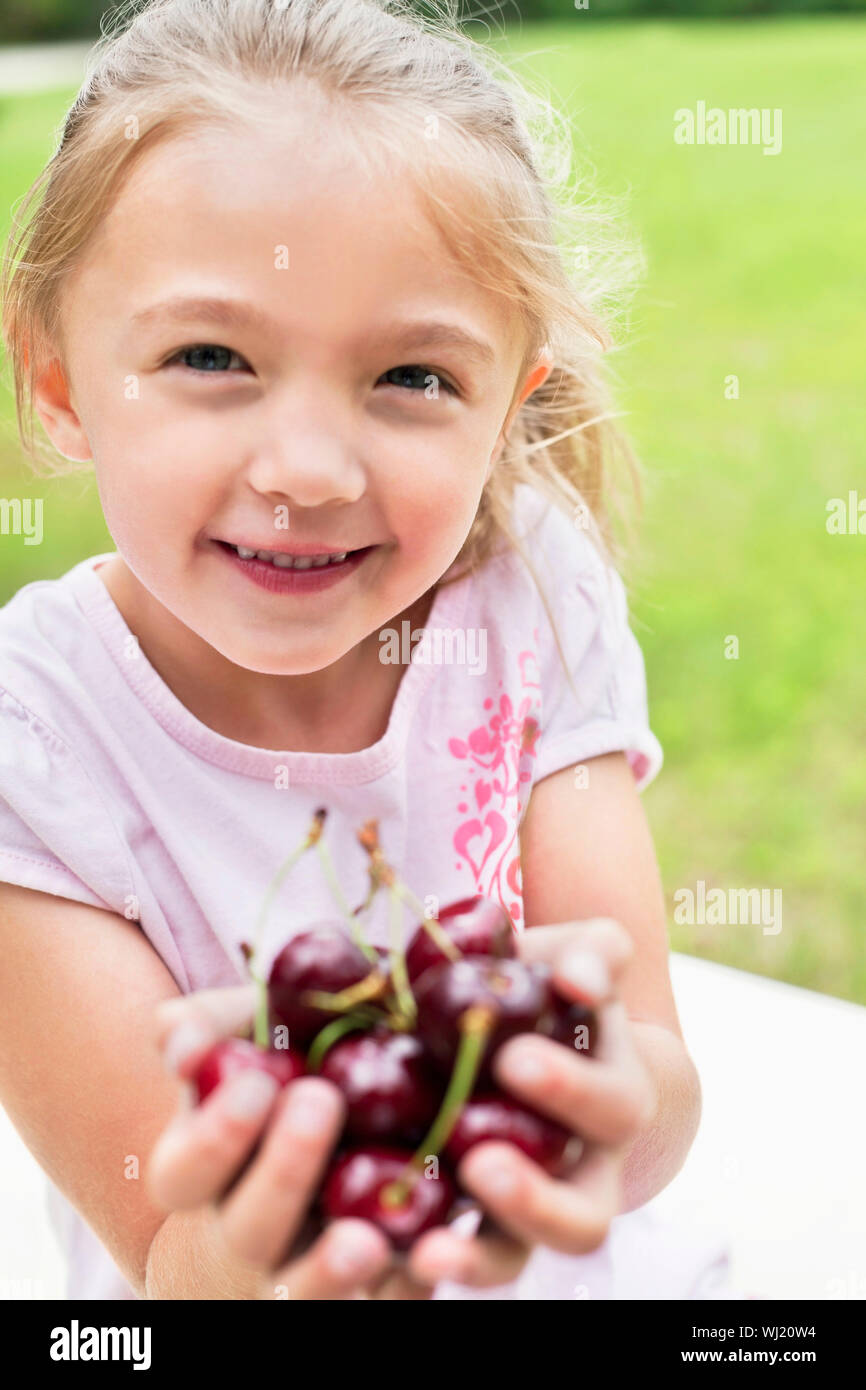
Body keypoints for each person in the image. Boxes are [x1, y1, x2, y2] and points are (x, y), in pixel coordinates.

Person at [0, 0, 731, 1300]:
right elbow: (172, 1253)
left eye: (410, 377)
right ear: (56, 377)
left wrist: (610, 1107)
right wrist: (311, 1241)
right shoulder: (31, 738)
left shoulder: (527, 596)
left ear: (511, 400)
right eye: (210, 355)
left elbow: (655, 1082)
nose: (306, 469)